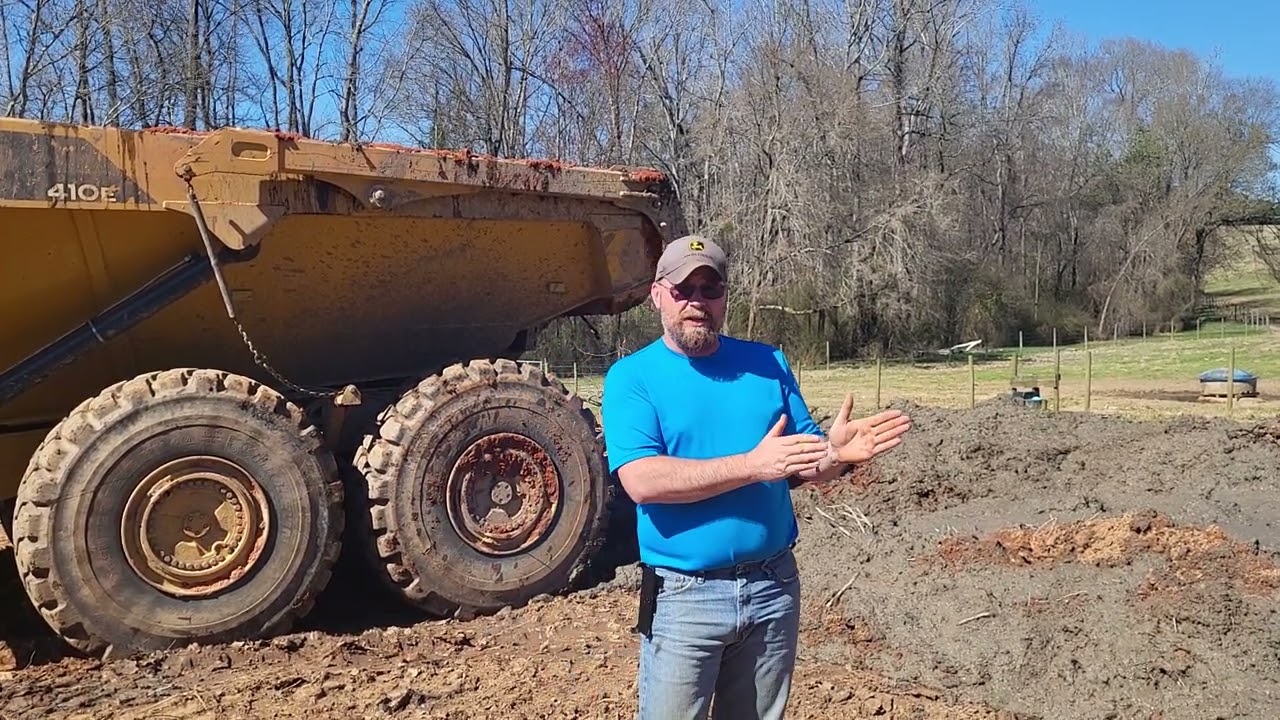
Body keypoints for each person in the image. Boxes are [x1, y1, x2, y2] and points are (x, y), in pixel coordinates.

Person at [601, 235, 912, 720]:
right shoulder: (632, 378)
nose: (697, 303)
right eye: (684, 290)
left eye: (710, 289)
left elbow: (804, 461)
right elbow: (643, 480)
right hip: (686, 598)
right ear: (657, 294)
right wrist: (752, 465)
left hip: (773, 588)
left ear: (725, 296)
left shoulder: (768, 364)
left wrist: (838, 454)